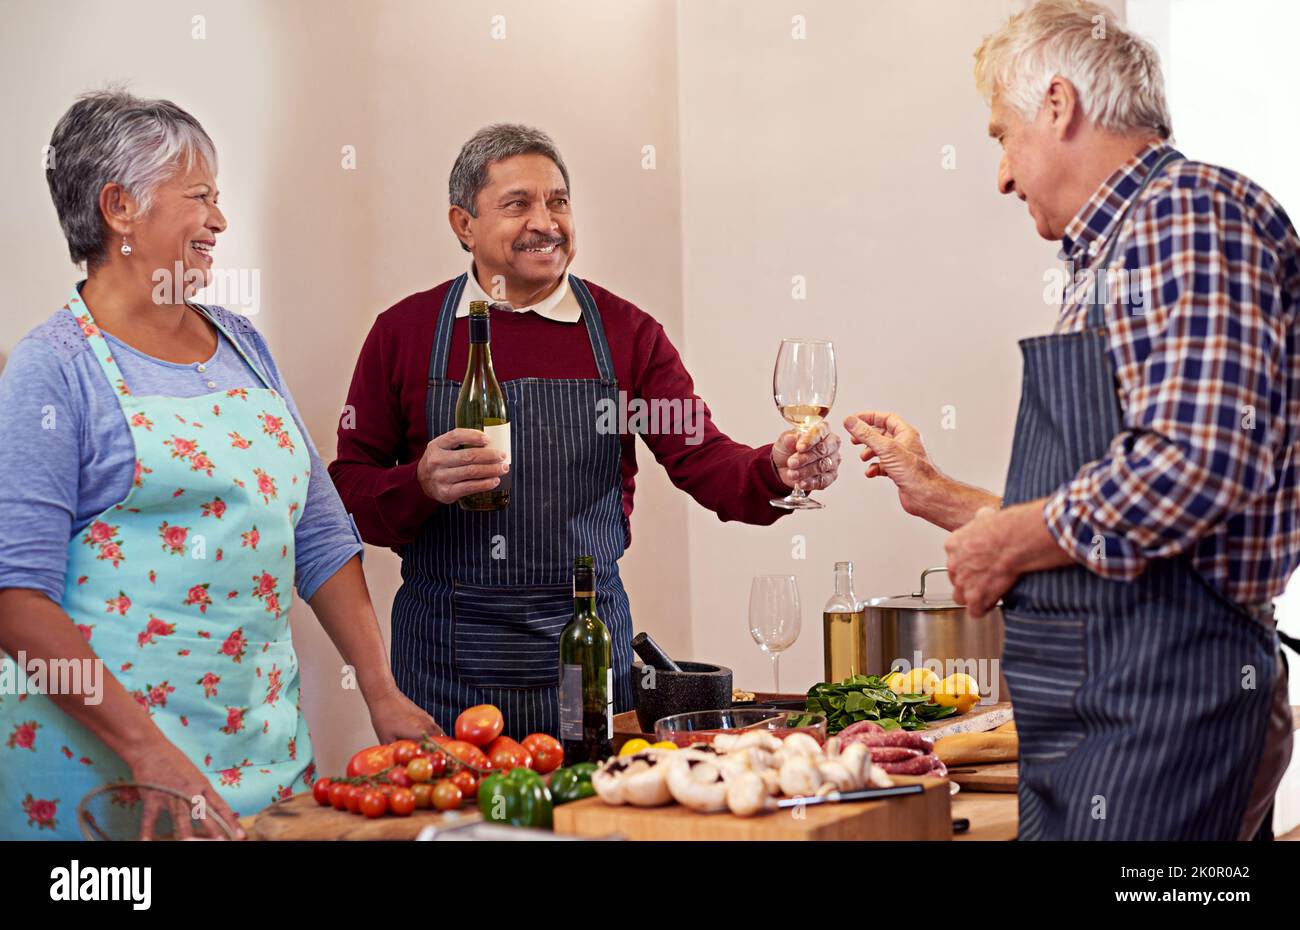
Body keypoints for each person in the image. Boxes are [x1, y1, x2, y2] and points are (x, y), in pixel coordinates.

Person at [845, 0, 1297, 840]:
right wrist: (940, 494)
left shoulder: (1186, 213)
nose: (1003, 175)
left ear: (1058, 105)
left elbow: (1195, 461)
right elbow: (1105, 520)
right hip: (1114, 718)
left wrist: (1007, 542)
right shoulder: (1118, 250)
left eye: (1001, 135)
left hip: (1171, 706)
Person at [0, 90, 434, 840]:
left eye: (219, 197)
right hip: (109, 782)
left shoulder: (241, 343)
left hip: (261, 759)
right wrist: (147, 750)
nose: (219, 221)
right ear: (119, 208)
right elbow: (16, 594)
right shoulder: (52, 368)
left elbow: (320, 535)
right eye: (199, 196)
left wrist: (379, 686)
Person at [329, 123, 842, 736]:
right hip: (444, 663)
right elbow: (346, 496)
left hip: (587, 651)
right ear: (462, 224)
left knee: (595, 824)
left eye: (559, 201)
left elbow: (704, 459)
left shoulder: (628, 334)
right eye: (517, 204)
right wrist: (418, 484)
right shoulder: (404, 333)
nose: (546, 221)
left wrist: (774, 469)